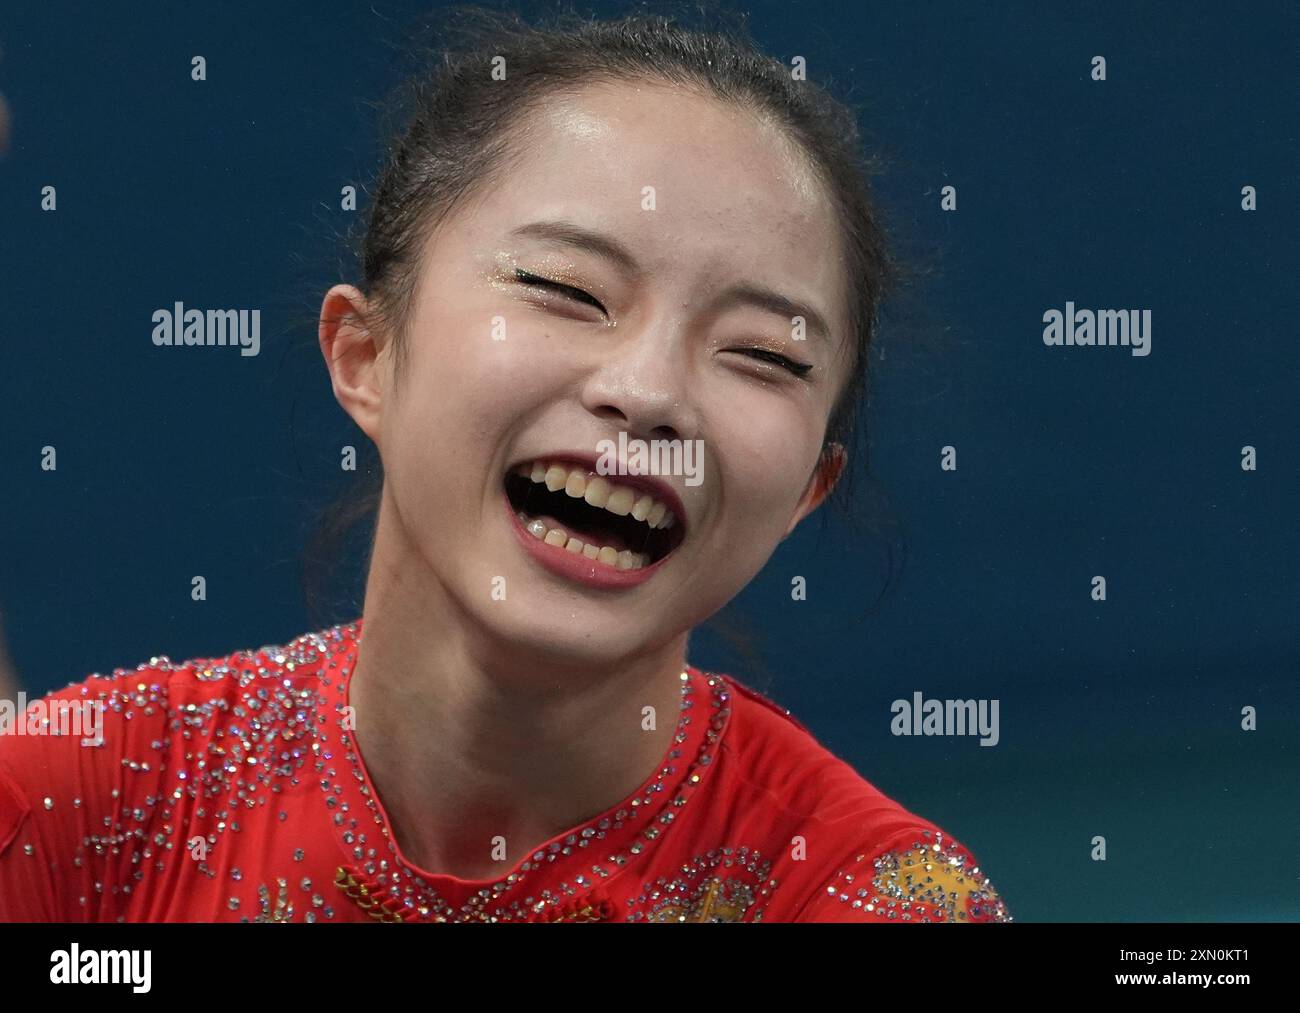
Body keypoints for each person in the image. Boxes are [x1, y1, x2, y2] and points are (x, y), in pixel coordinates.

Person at [0, 8, 1010, 923]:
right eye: (566, 288)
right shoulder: (75, 803)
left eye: (761, 354)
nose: (650, 391)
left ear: (804, 491)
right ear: (366, 355)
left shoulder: (868, 898)